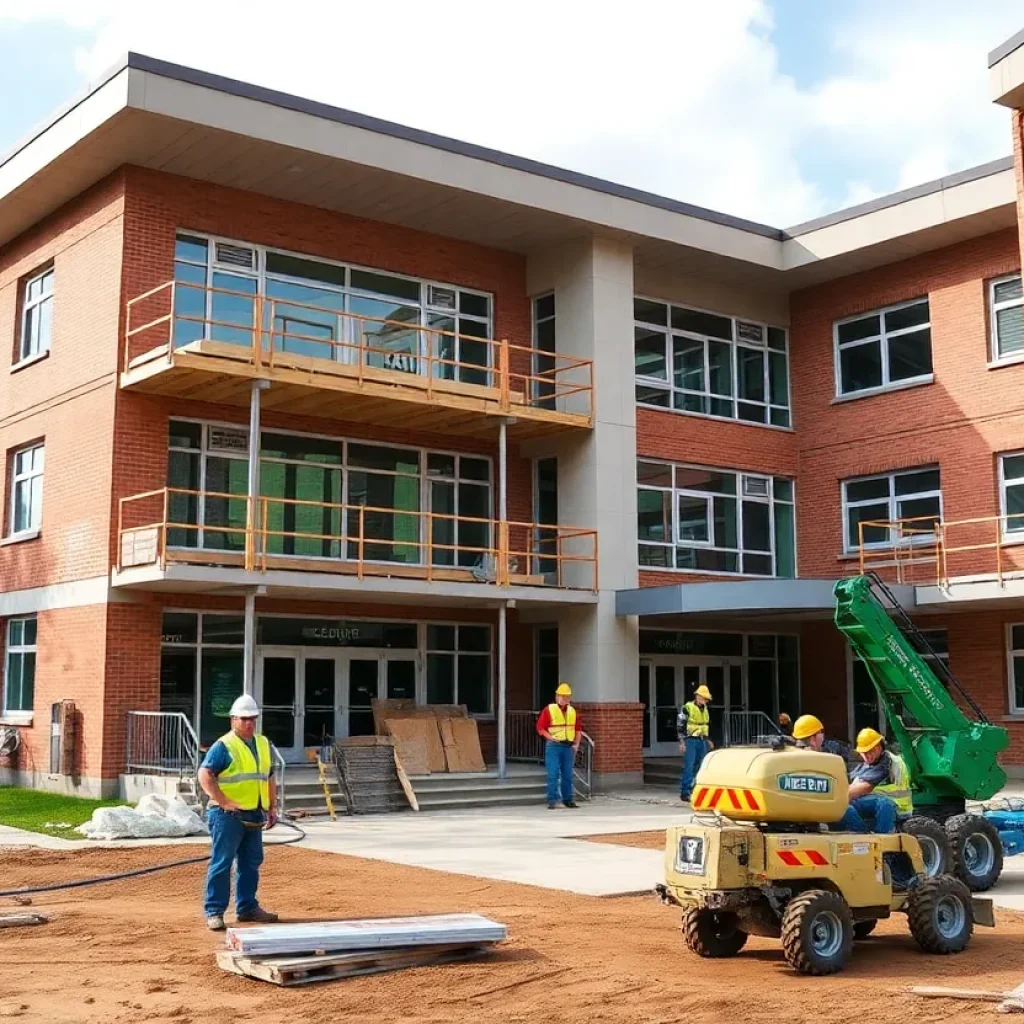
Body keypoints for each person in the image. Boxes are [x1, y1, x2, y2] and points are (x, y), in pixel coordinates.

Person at [198, 693, 280, 931]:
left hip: (254, 813)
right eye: (244, 719)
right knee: (222, 863)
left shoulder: (263, 744)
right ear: (233, 720)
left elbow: (269, 777)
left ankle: (247, 908)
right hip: (227, 816)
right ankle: (214, 911)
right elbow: (205, 775)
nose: (249, 723)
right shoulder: (224, 746)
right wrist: (222, 801)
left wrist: (272, 806)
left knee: (251, 862)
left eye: (252, 719)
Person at [834, 728, 912, 834]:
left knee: (884, 804)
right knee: (846, 810)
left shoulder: (886, 762)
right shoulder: (866, 765)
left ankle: (883, 839)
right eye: (863, 753)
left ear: (879, 747)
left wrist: (834, 799)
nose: (867, 756)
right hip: (872, 803)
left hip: (895, 806)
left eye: (870, 751)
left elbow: (865, 787)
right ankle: (862, 835)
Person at [536, 682, 580, 809]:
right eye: (562, 696)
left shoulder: (573, 711)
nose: (564, 699)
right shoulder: (549, 710)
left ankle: (568, 799)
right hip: (554, 746)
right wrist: (550, 738)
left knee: (567, 774)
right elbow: (540, 728)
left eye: (566, 697)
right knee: (553, 773)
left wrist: (576, 744)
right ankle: (552, 800)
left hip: (568, 747)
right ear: (556, 697)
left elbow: (577, 730)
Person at [678, 684, 713, 803]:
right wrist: (682, 742)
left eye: (706, 699)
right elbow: (680, 725)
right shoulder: (687, 708)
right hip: (690, 739)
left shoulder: (705, 709)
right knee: (689, 765)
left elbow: (704, 725)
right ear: (697, 696)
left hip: (701, 739)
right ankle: (685, 792)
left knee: (700, 765)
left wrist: (708, 739)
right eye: (704, 698)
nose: (705, 701)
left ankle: (695, 788)